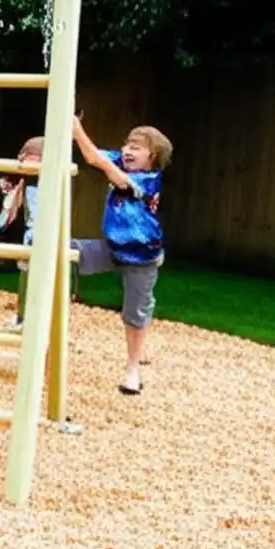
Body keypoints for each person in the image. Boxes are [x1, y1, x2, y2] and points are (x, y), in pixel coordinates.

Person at [71, 115, 173, 395]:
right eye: (127, 144)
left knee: (135, 314)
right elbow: (92, 155)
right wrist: (74, 131)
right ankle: (27, 277)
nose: (128, 150)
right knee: (66, 252)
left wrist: (76, 128)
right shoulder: (119, 160)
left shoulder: (149, 180)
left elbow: (104, 167)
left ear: (151, 157)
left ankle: (133, 370)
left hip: (143, 256)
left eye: (137, 147)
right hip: (113, 247)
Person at [0, 136, 43, 327]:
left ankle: (33, 318)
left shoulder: (49, 179)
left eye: (29, 155)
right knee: (25, 275)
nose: (22, 158)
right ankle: (23, 316)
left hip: (42, 234)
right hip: (31, 233)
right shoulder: (26, 179)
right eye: (22, 154)